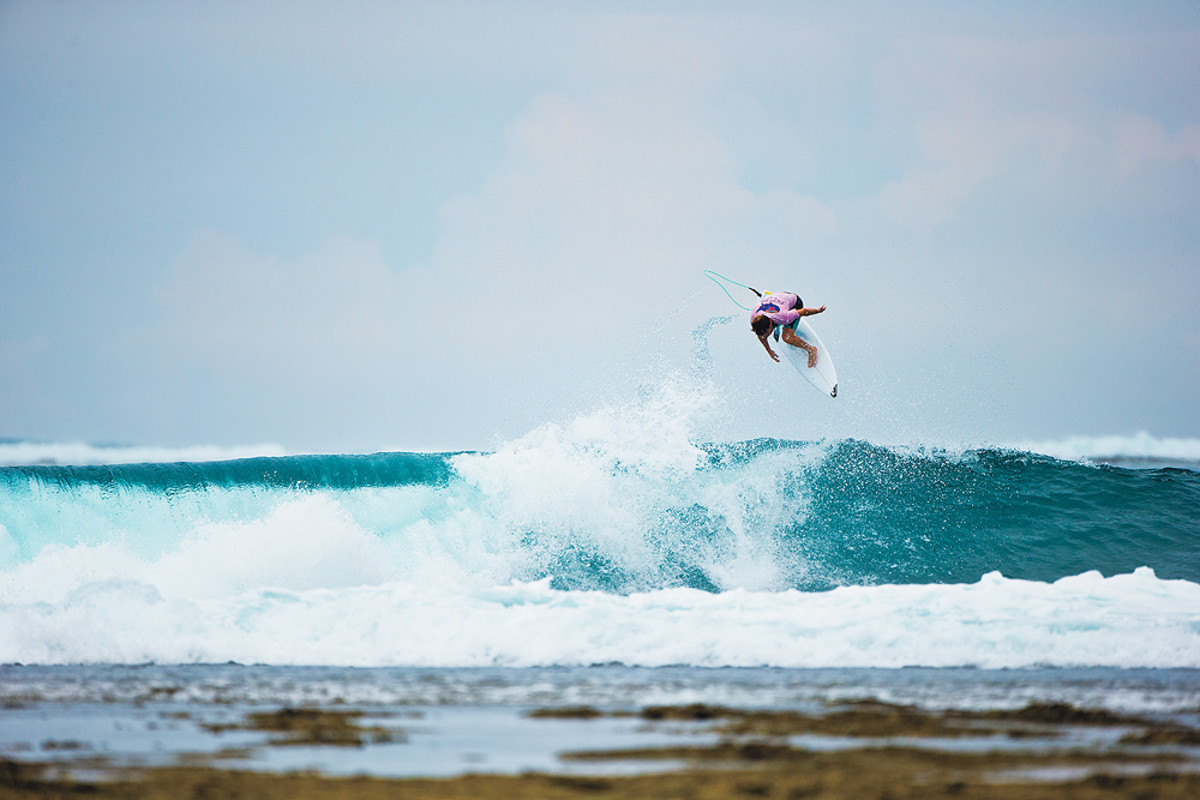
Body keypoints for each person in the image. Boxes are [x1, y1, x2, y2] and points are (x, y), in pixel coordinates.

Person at [750, 292, 827, 367]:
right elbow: (760, 335)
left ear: (770, 324)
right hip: (779, 297)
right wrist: (768, 350)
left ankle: (811, 349)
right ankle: (781, 326)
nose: (764, 336)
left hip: (794, 302)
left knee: (787, 338)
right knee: (764, 333)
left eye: (766, 333)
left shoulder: (784, 316)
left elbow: (804, 311)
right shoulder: (754, 319)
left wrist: (817, 311)